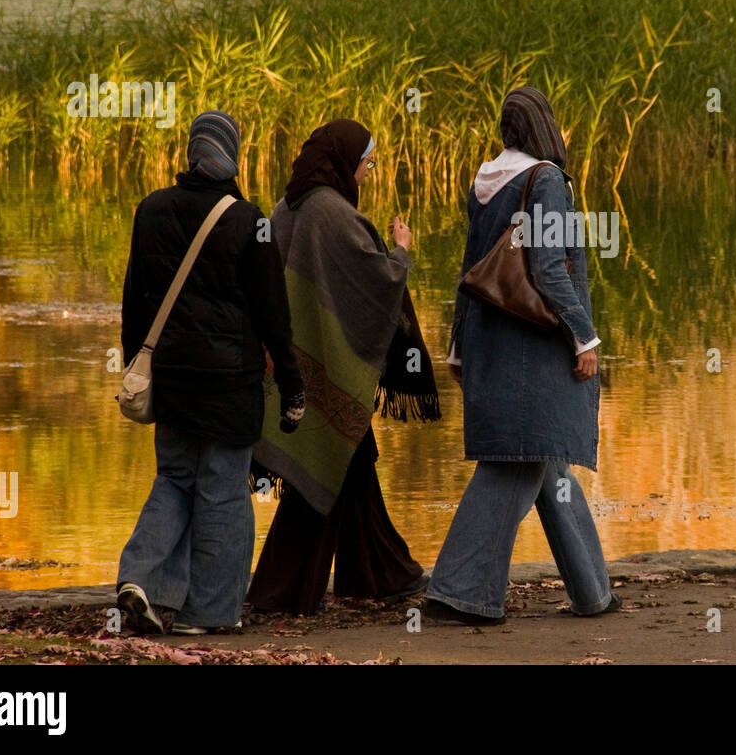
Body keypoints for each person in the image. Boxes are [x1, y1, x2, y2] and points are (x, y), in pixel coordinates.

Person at [423, 87, 617, 626]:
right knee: (516, 462)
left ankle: (593, 591)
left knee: (545, 455)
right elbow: (551, 268)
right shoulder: (547, 179)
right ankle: (459, 592)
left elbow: (469, 269)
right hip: (536, 346)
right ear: (544, 128)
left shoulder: (485, 182)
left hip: (491, 340)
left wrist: (458, 345)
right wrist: (585, 336)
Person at [116, 110, 304, 637]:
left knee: (175, 478)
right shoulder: (249, 220)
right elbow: (274, 315)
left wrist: (137, 364)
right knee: (222, 489)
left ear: (192, 150)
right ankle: (209, 613)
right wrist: (292, 387)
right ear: (232, 155)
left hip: (171, 376)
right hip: (230, 383)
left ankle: (140, 579)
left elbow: (135, 302)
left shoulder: (150, 210)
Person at [246, 120, 439, 616]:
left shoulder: (283, 210)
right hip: (328, 374)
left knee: (352, 461)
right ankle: (280, 592)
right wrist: (401, 251)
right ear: (344, 161)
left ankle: (380, 574)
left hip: (288, 370)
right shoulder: (336, 215)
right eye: (367, 163)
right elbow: (375, 285)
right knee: (327, 463)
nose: (369, 173)